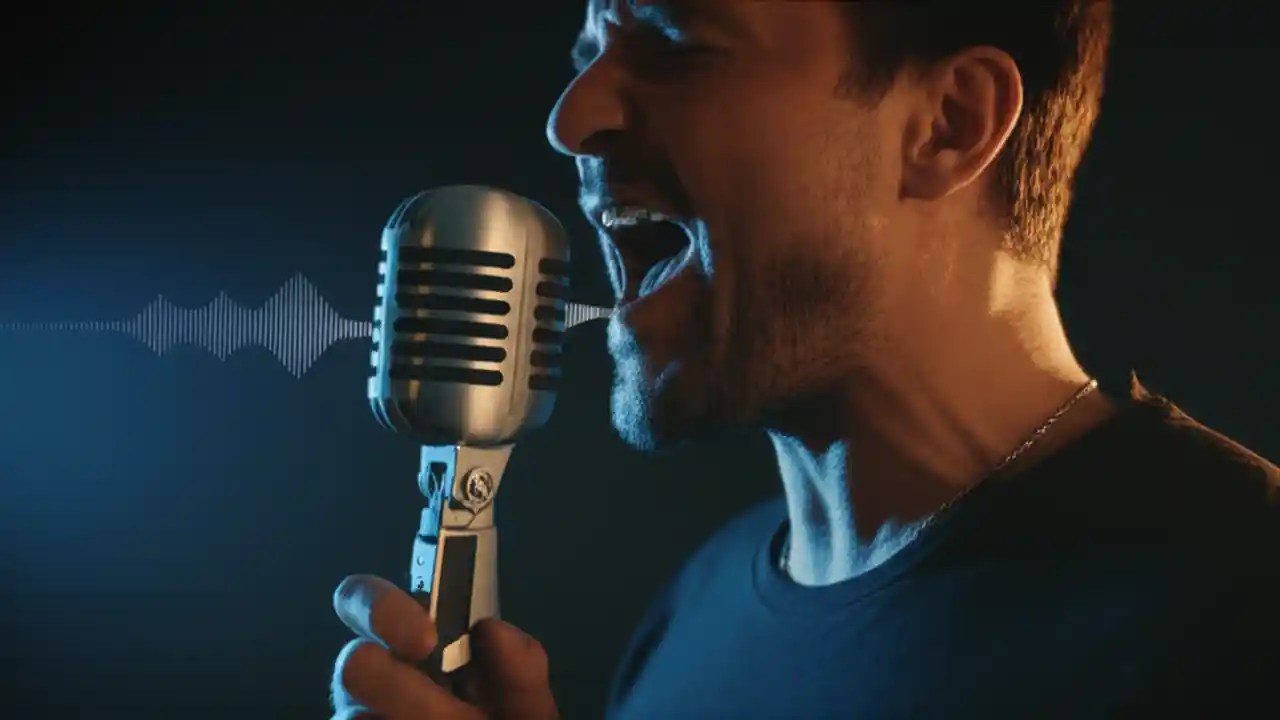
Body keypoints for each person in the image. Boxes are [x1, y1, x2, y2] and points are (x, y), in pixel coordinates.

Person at [328, 1, 1279, 718]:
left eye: (675, 42)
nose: (570, 119)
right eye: (589, 57)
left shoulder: (1242, 605)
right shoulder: (691, 615)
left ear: (947, 122)